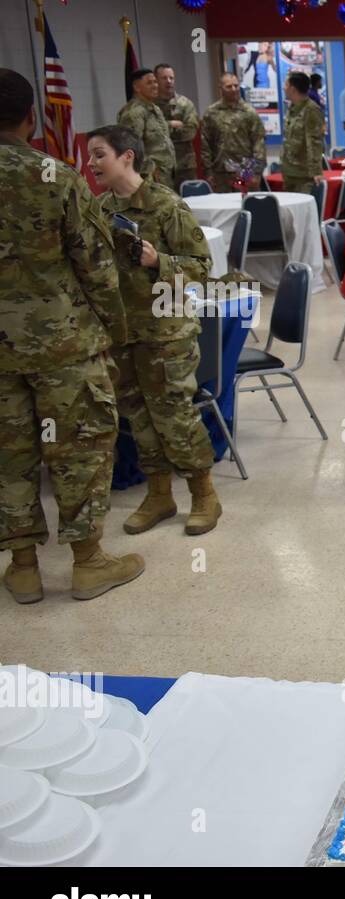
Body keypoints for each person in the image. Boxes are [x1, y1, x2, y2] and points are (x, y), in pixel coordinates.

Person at [0, 70, 143, 604]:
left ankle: (22, 567)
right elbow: (98, 267)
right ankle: (87, 563)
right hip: (62, 343)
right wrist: (115, 332)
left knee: (8, 456)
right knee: (78, 448)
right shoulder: (54, 176)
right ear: (32, 118)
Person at [88, 125, 221, 537]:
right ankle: (159, 494)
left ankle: (204, 495)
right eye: (90, 157)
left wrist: (157, 261)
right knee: (138, 418)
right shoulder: (99, 209)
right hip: (122, 332)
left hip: (167, 331)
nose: (91, 164)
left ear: (127, 156)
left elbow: (201, 269)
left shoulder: (167, 205)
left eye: (99, 155)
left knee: (174, 416)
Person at [202, 72, 267, 193]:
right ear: (220, 88)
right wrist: (208, 172)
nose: (233, 89)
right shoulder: (211, 113)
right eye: (229, 86)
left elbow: (259, 143)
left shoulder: (249, 112)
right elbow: (205, 144)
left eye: (236, 86)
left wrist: (256, 173)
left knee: (246, 206)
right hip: (220, 174)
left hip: (245, 172)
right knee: (224, 209)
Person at [117, 68, 175, 187]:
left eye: (155, 82)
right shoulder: (133, 113)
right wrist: (150, 171)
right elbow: (130, 149)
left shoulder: (155, 108)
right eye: (149, 83)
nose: (155, 86)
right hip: (149, 179)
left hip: (165, 176)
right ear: (137, 87)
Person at [154, 63, 199, 192]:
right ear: (156, 80)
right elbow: (149, 134)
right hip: (160, 166)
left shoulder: (185, 104)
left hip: (185, 165)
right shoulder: (151, 106)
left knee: (190, 203)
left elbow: (190, 132)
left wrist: (162, 130)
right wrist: (171, 125)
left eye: (171, 78)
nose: (169, 81)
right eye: (164, 78)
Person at [280, 72, 325, 193]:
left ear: (293, 89)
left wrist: (316, 172)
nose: (284, 88)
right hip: (290, 172)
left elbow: (314, 142)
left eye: (286, 85)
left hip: (304, 176)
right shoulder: (292, 108)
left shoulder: (311, 110)